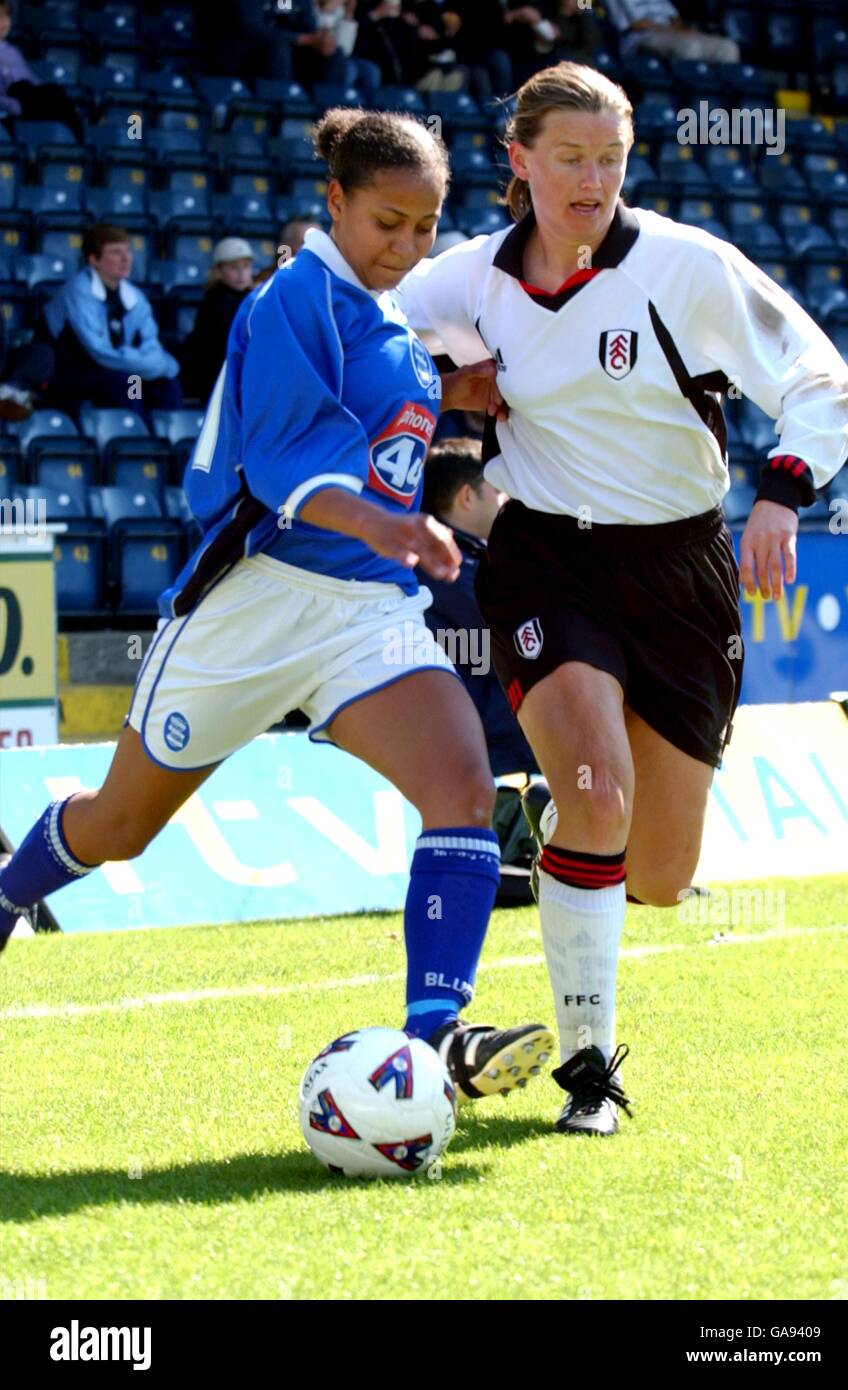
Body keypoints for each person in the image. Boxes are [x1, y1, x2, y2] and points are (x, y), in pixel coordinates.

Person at [0, 109, 553, 1106]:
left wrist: (461, 392)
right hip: (249, 603)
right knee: (120, 826)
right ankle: (6, 890)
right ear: (333, 201)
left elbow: (384, 427)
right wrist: (392, 525)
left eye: (425, 227)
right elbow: (285, 463)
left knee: (461, 786)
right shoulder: (289, 297)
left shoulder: (393, 315)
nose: (407, 246)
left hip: (364, 611)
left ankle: (430, 1049)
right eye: (388, 221)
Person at [394, 62, 848, 1135]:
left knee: (656, 871)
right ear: (519, 162)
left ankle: (560, 824)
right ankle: (587, 1074)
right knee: (602, 798)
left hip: (682, 571)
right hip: (546, 559)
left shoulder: (684, 266)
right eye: (569, 157)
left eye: (610, 157)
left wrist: (782, 494)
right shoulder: (467, 280)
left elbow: (820, 379)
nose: (592, 178)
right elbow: (350, 321)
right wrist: (433, 389)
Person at [418, 437, 537, 778]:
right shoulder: (446, 569)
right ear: (467, 497)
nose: (508, 503)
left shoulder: (463, 560)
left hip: (490, 748)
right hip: (491, 757)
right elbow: (522, 636)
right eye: (500, 492)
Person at [45, 224, 182, 416]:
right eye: (116, 252)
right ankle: (135, 437)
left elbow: (151, 345)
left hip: (122, 368)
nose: (126, 259)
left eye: (128, 251)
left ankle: (170, 440)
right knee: (130, 383)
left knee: (167, 383)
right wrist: (153, 365)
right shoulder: (77, 293)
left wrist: (160, 367)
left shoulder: (135, 297)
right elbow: (100, 353)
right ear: (93, 259)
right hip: (70, 373)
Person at [181, 237, 255, 406]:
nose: (241, 273)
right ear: (218, 271)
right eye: (233, 267)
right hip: (219, 378)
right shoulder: (215, 302)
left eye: (246, 266)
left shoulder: (253, 298)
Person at [0, 0, 83, 140]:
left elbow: (31, 80)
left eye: (6, 17)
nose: (4, 23)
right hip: (13, 105)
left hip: (28, 98)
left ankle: (79, 145)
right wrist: (14, 106)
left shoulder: (11, 50)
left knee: (56, 93)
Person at [603, 0, 741, 63]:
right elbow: (633, 25)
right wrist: (672, 32)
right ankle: (690, 106)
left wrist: (685, 30)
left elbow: (674, 18)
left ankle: (721, 109)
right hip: (641, 38)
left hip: (670, 33)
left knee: (728, 48)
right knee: (689, 47)